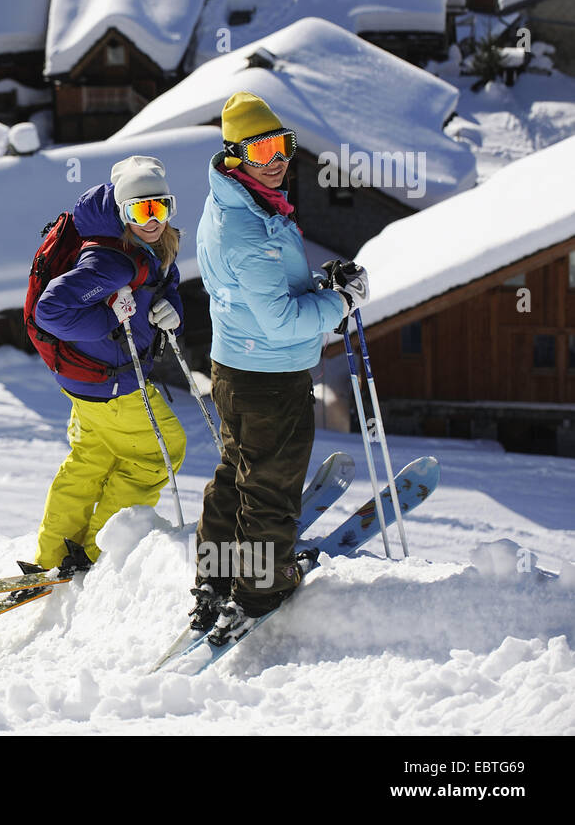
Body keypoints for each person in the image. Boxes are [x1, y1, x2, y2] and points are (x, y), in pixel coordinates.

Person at [193, 92, 369, 644]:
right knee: (269, 485)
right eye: (261, 149)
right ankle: (261, 587)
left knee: (235, 475)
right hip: (268, 378)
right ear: (235, 153)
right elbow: (281, 320)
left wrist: (323, 285)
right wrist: (341, 305)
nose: (276, 159)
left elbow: (264, 297)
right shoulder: (247, 227)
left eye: (282, 145)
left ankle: (215, 580)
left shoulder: (240, 200)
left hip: (236, 368)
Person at [31, 155, 188, 576]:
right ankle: (97, 554)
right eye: (140, 210)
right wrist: (110, 317)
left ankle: (53, 556)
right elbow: (51, 312)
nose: (152, 220)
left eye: (160, 207)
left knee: (92, 460)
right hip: (113, 384)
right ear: (121, 211)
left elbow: (162, 279)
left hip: (84, 380)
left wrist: (167, 305)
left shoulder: (139, 244)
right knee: (159, 454)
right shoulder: (111, 260)